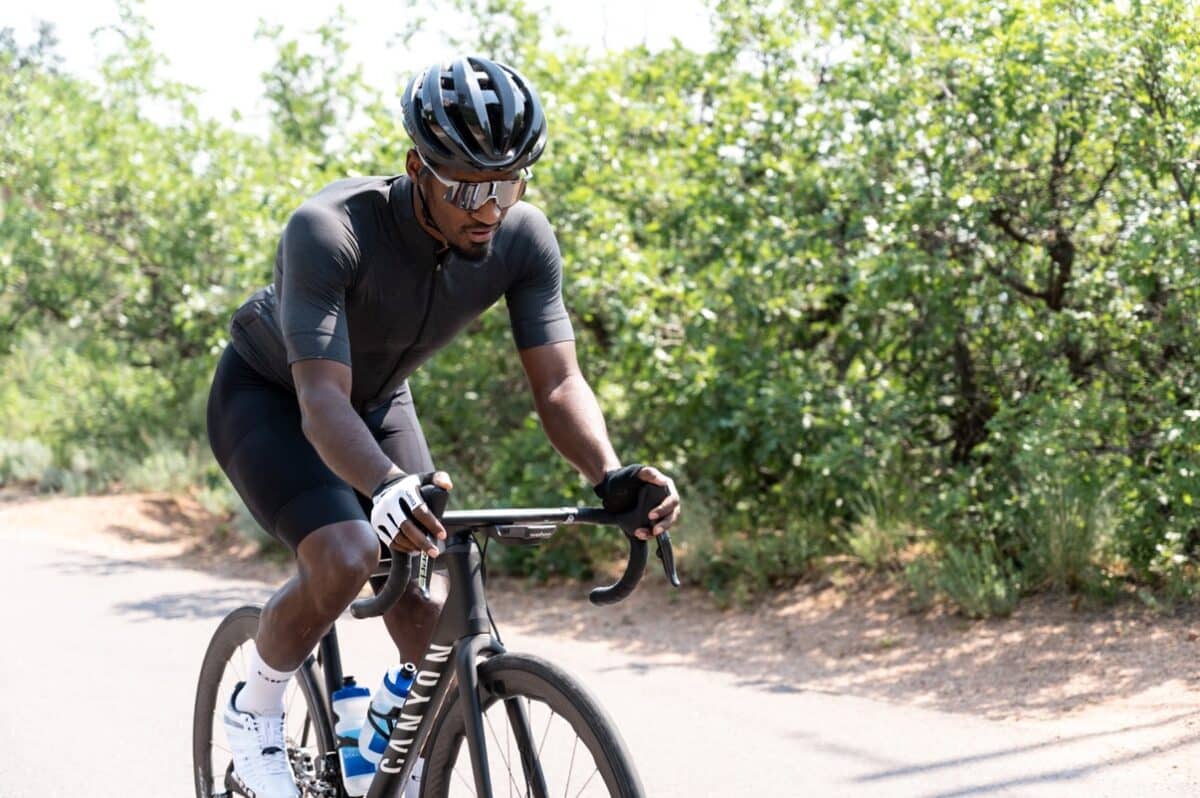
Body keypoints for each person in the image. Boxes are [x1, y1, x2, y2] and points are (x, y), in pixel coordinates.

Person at [205, 55, 681, 798]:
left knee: (426, 593)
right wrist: (385, 485)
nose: (489, 207)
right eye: (466, 186)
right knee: (348, 550)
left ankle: (390, 724)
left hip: (379, 400)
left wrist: (610, 475)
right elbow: (322, 402)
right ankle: (257, 707)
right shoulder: (329, 231)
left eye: (509, 182)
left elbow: (558, 383)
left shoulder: (522, 240)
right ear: (415, 167)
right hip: (273, 397)